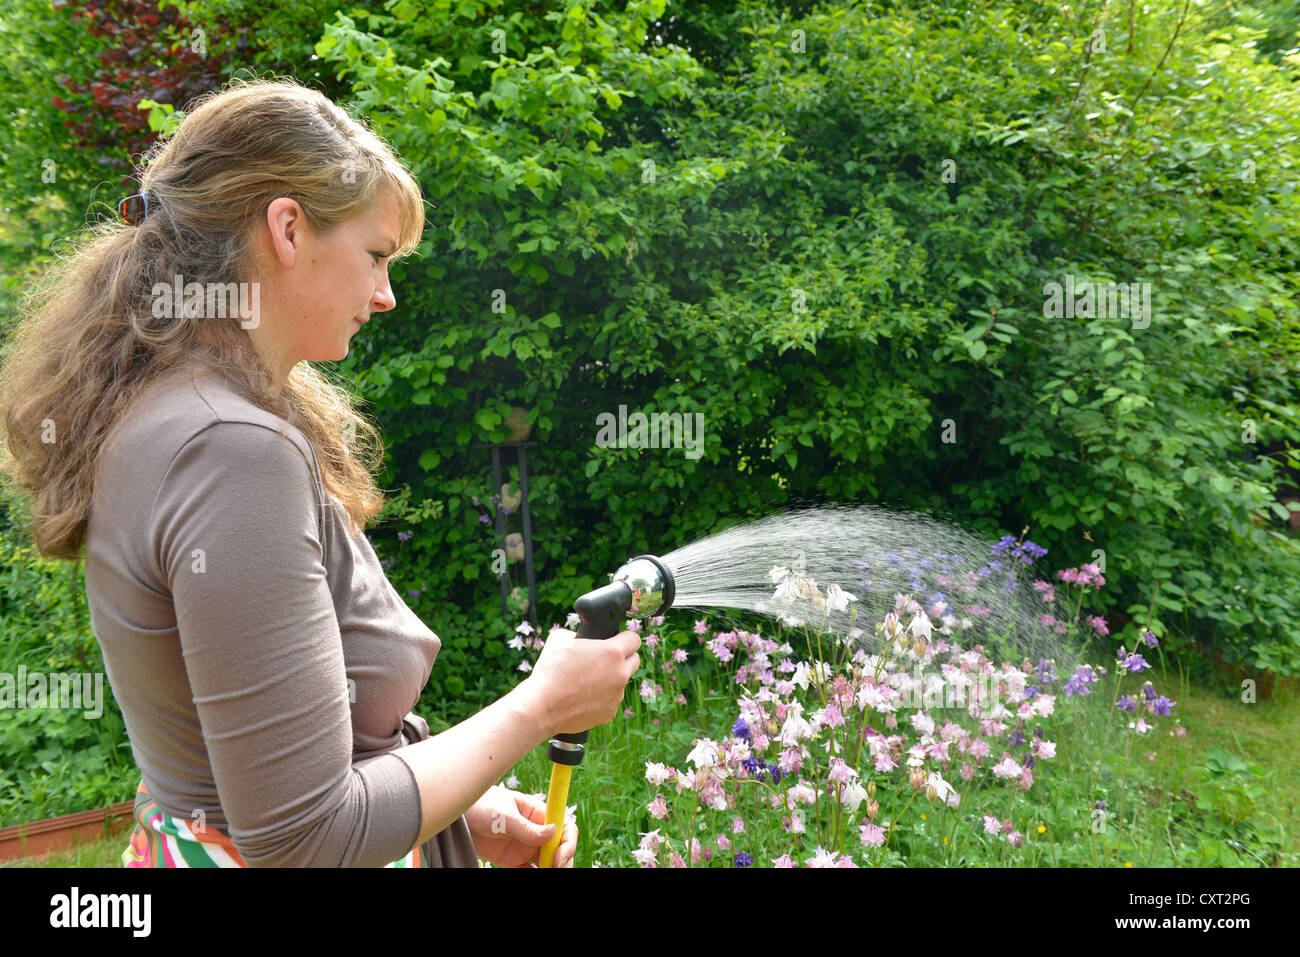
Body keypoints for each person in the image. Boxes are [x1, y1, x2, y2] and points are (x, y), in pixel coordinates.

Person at [0, 77, 640, 867]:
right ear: (288, 228)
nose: (387, 295)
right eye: (375, 256)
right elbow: (305, 840)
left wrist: (449, 815)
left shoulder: (161, 409)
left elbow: (244, 784)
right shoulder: (231, 448)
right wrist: (541, 705)